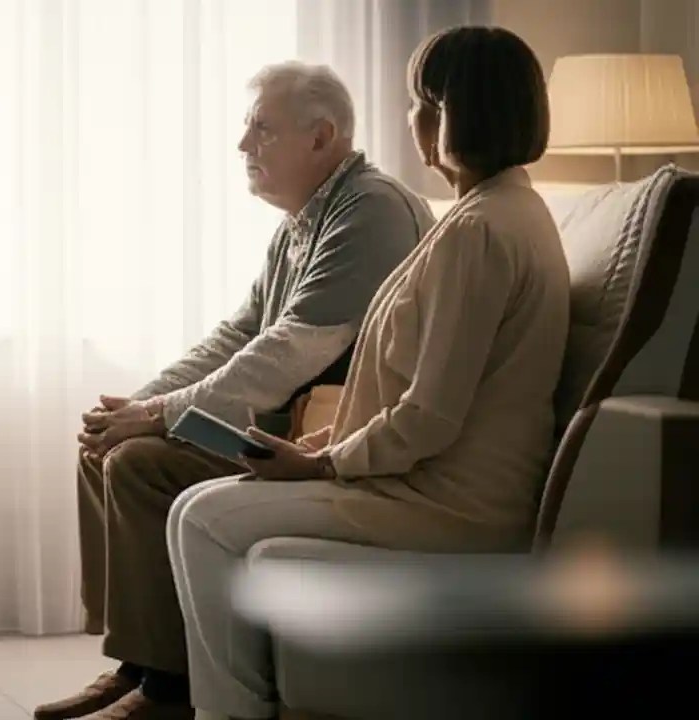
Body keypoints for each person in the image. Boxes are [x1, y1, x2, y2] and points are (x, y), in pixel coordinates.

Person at [166, 26, 570, 720]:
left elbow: (430, 416)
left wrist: (323, 467)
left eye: (419, 102)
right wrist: (323, 450)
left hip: (449, 506)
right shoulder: (492, 212)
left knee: (202, 517)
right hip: (417, 483)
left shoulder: (483, 230)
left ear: (451, 113)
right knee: (197, 508)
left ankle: (231, 713)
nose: (410, 119)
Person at [39, 63, 435, 720]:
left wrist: (154, 419)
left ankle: (169, 692)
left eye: (261, 129)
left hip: (324, 442)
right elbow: (236, 335)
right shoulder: (300, 223)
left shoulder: (370, 209)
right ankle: (138, 662)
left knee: (141, 461)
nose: (243, 146)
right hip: (285, 425)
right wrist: (139, 404)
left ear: (322, 136)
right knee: (103, 446)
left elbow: (291, 352)